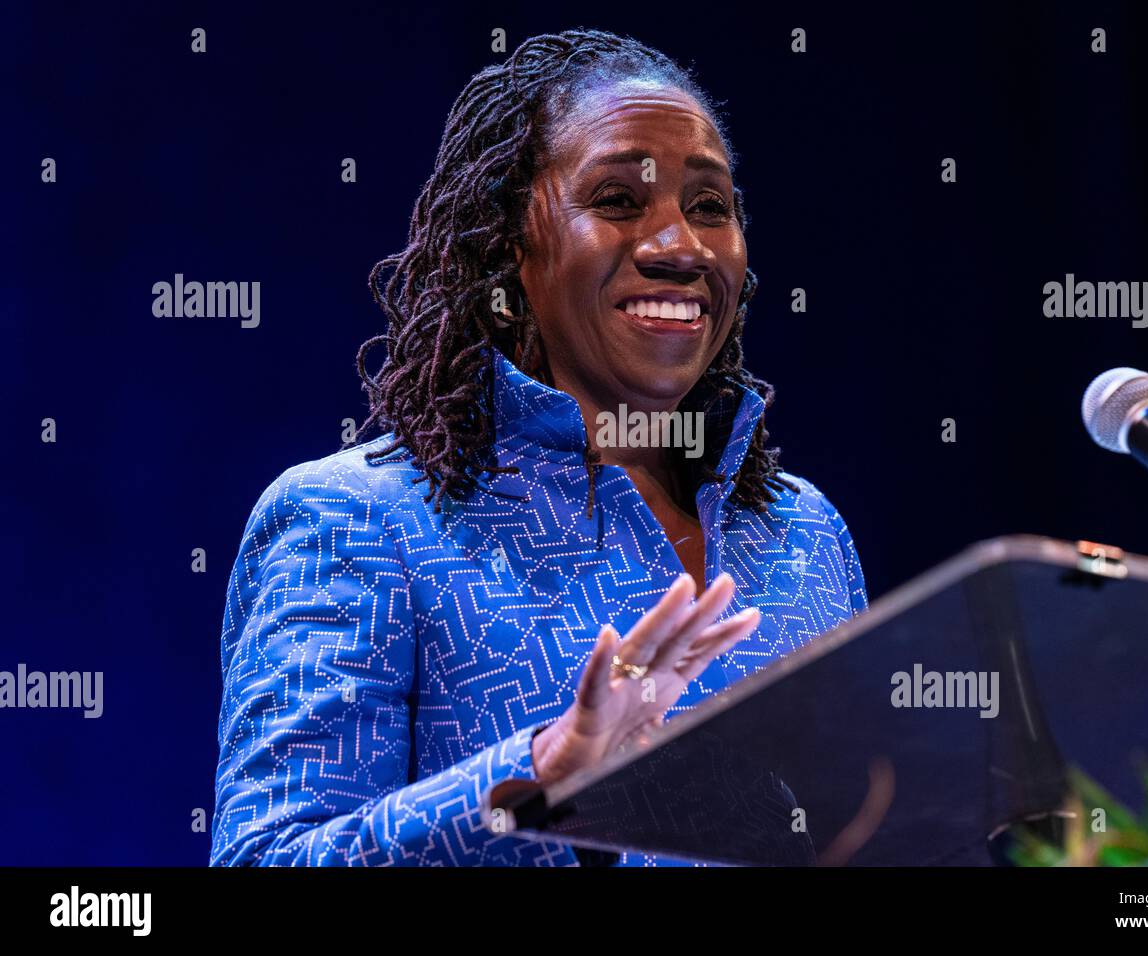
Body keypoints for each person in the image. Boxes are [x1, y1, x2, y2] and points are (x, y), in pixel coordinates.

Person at [210, 28, 867, 867]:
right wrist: (541, 778)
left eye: (710, 207)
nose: (681, 248)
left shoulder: (804, 532)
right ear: (508, 248)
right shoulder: (354, 522)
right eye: (620, 201)